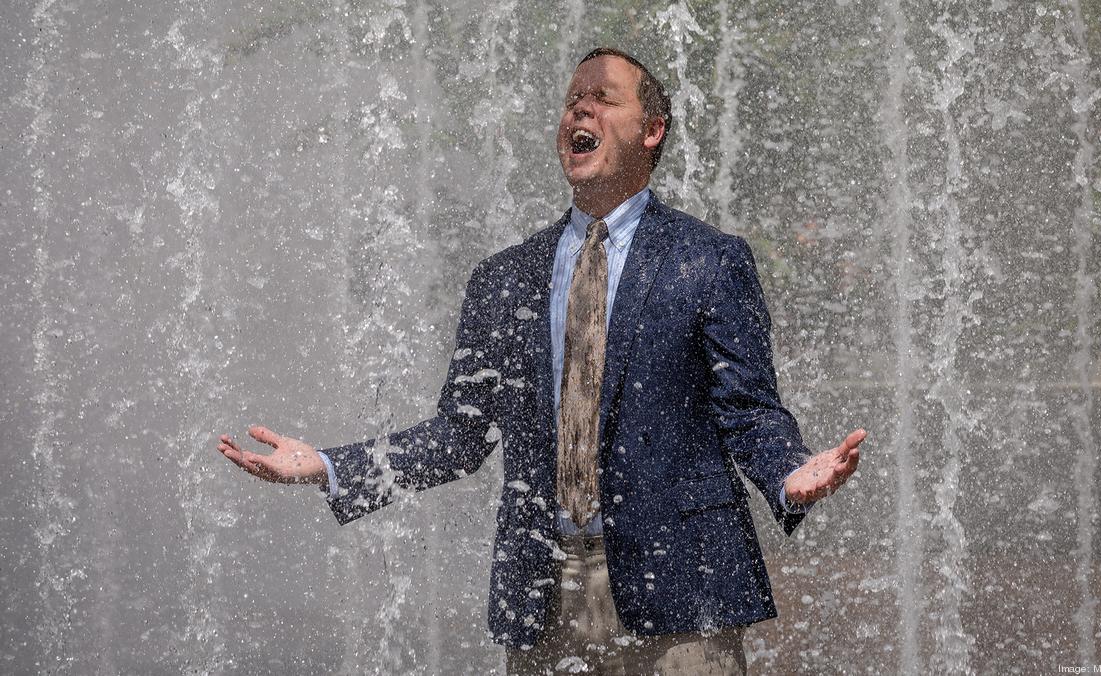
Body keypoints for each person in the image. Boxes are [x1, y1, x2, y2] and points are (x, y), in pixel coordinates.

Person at [216, 47, 865, 675]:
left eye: (602, 98)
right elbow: (457, 437)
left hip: (683, 585)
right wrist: (330, 465)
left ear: (652, 130)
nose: (578, 110)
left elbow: (747, 412)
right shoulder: (503, 279)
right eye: (572, 99)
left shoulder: (708, 260)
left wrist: (787, 473)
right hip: (543, 589)